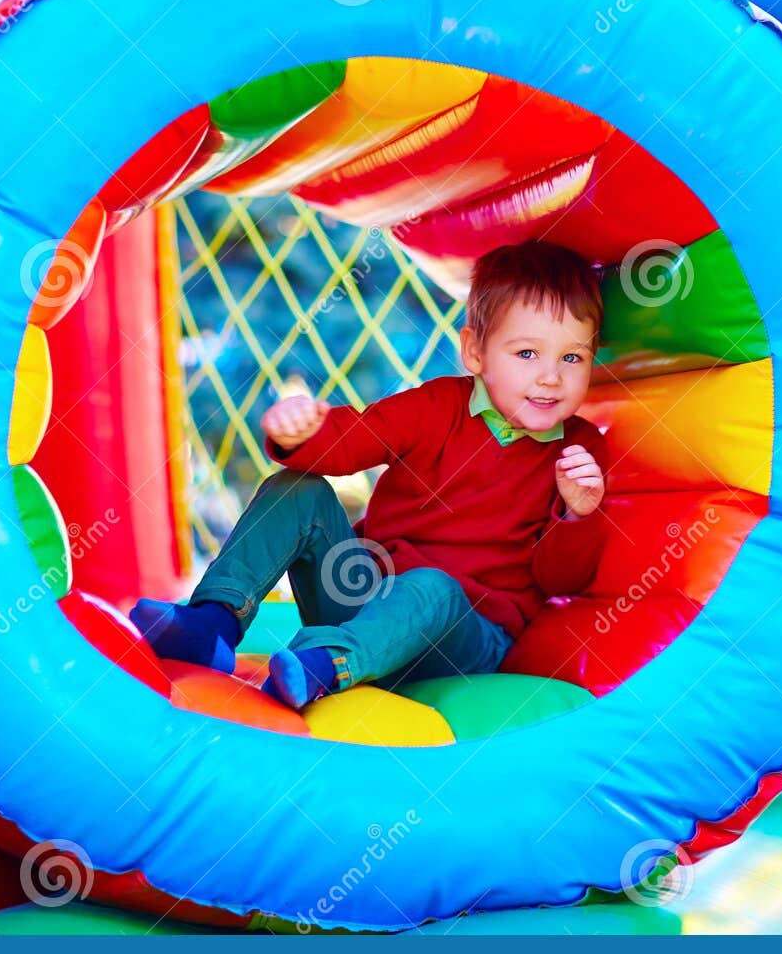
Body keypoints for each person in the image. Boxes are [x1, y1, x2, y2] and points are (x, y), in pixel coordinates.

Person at [130, 241, 609, 708]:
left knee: (432, 587)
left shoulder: (578, 450)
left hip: (464, 640)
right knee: (295, 488)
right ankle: (213, 623)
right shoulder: (436, 406)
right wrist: (303, 434)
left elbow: (561, 580)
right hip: (365, 601)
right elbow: (357, 437)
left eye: (572, 357)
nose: (551, 377)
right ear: (475, 352)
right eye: (527, 354)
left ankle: (325, 668)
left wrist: (578, 515)